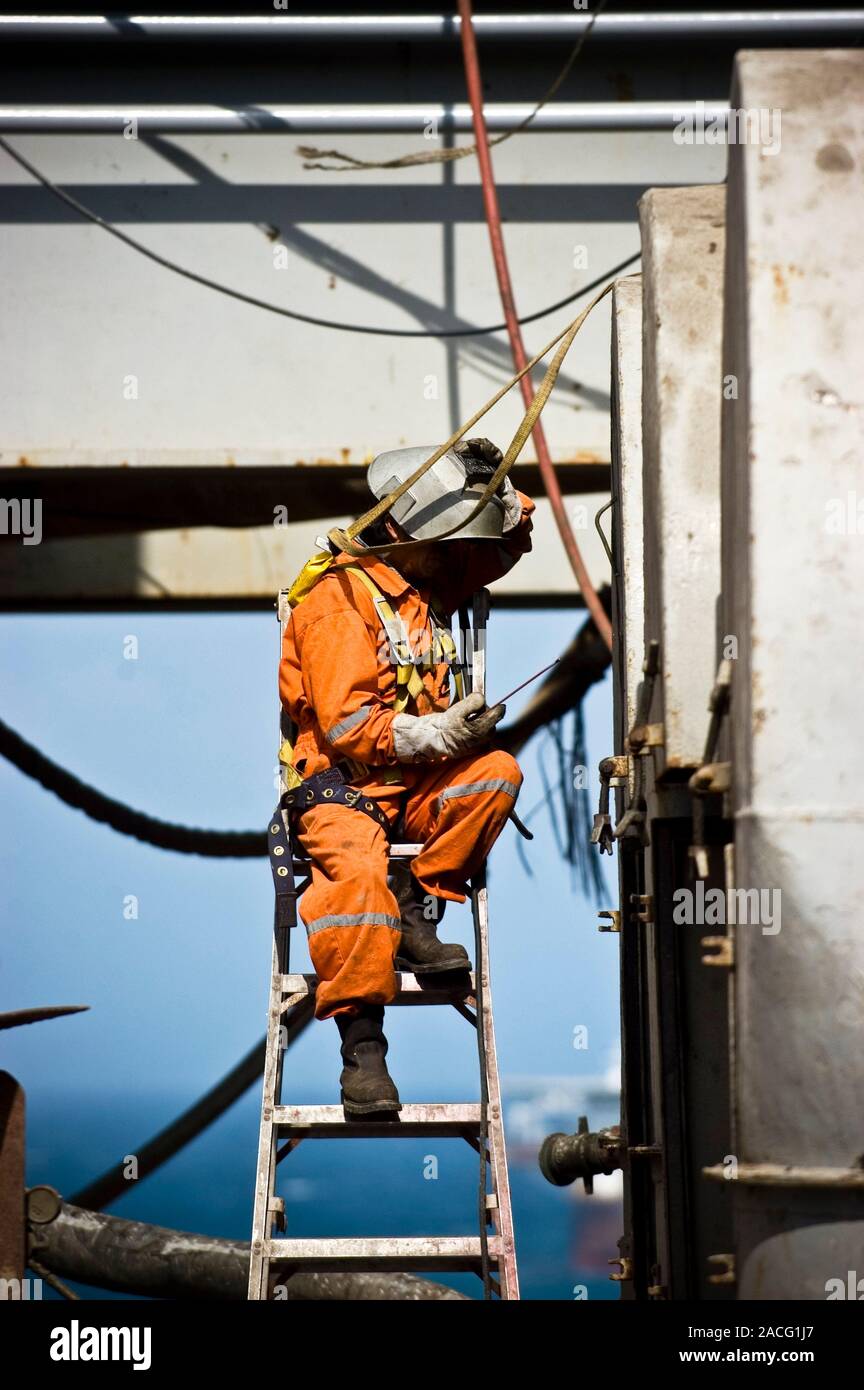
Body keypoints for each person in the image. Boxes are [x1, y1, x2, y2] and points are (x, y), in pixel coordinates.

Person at [278, 437, 535, 1114]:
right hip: (344, 786)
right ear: (404, 534)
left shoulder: (428, 579)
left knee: (495, 775)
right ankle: (363, 1052)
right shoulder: (337, 604)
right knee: (356, 884)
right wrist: (440, 732)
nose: (457, 553)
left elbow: (508, 541)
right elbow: (345, 725)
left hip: (414, 784)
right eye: (446, 537)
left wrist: (490, 478)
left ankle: (419, 909)